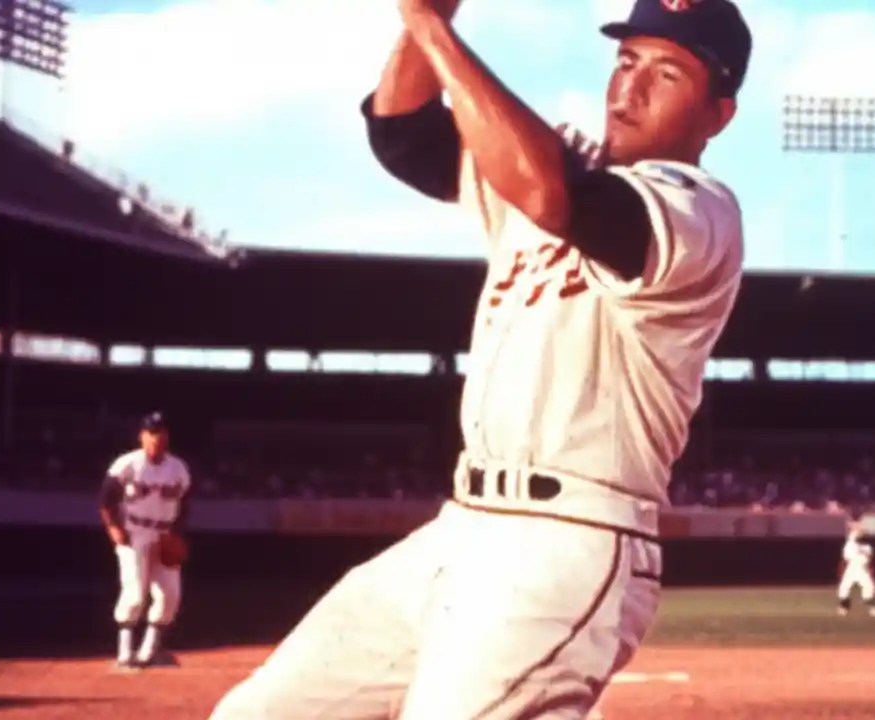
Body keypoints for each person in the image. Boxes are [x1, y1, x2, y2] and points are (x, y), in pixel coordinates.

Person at [210, 0, 750, 717]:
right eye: (626, 61)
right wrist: (426, 15)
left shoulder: (701, 212)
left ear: (718, 115)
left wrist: (434, 28)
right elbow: (403, 132)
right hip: (461, 526)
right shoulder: (555, 161)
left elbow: (555, 195)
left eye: (667, 74)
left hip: (569, 540)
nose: (632, 86)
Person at [98, 411, 192, 669]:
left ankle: (149, 650)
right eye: (151, 433)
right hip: (134, 532)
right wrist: (113, 528)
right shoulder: (126, 464)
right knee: (135, 593)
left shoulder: (178, 468)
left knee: (170, 594)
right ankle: (124, 651)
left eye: (160, 433)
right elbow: (106, 500)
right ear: (142, 436)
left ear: (167, 437)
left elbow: (185, 504)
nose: (156, 438)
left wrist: (177, 533)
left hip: (164, 533)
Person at [837, 527, 875, 617]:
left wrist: (858, 547)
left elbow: (868, 555)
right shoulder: (850, 545)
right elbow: (846, 556)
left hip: (861, 570)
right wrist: (855, 535)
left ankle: (873, 608)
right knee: (843, 589)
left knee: (869, 589)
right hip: (851, 569)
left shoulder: (867, 547)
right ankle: (844, 608)